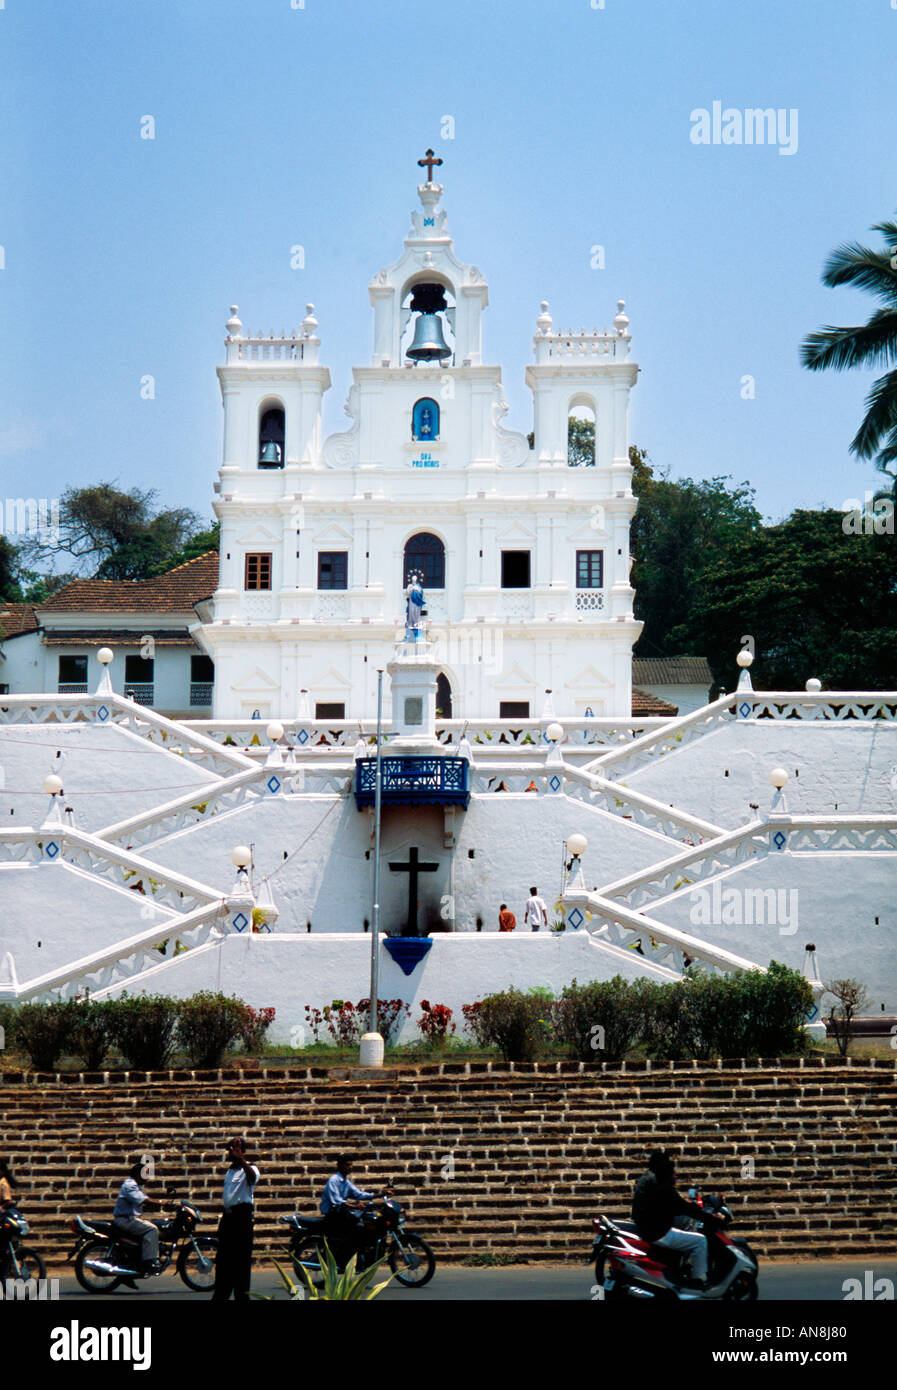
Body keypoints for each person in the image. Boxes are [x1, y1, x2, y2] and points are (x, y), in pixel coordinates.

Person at [631, 1150, 712, 1289]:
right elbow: (679, 1206)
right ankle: (699, 1280)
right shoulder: (657, 1182)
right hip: (656, 1229)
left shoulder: (650, 1177)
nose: (675, 1174)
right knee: (700, 1240)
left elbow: (672, 1202)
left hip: (648, 1223)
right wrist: (710, 1218)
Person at [212, 1136, 259, 1302]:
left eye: (233, 1151)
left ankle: (241, 1296)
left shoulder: (250, 1168)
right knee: (223, 1261)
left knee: (241, 1263)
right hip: (229, 1218)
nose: (230, 1154)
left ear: (242, 1152)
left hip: (242, 1219)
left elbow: (252, 1179)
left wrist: (243, 1161)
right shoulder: (230, 1171)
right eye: (230, 1151)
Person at [112, 1159, 161, 1276]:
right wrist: (163, 1203)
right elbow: (144, 1200)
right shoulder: (130, 1185)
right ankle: (149, 1262)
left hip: (130, 1219)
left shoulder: (136, 1185)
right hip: (125, 1220)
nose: (147, 1178)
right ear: (138, 1175)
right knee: (152, 1230)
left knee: (153, 1225)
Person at [320, 1154, 374, 1257]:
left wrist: (379, 1194)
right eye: (347, 1165)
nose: (350, 1167)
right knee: (359, 1228)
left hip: (341, 1213)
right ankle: (347, 1256)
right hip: (333, 1215)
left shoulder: (345, 1182)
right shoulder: (334, 1180)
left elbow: (358, 1194)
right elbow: (337, 1201)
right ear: (339, 1166)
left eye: (351, 1165)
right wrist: (355, 1206)